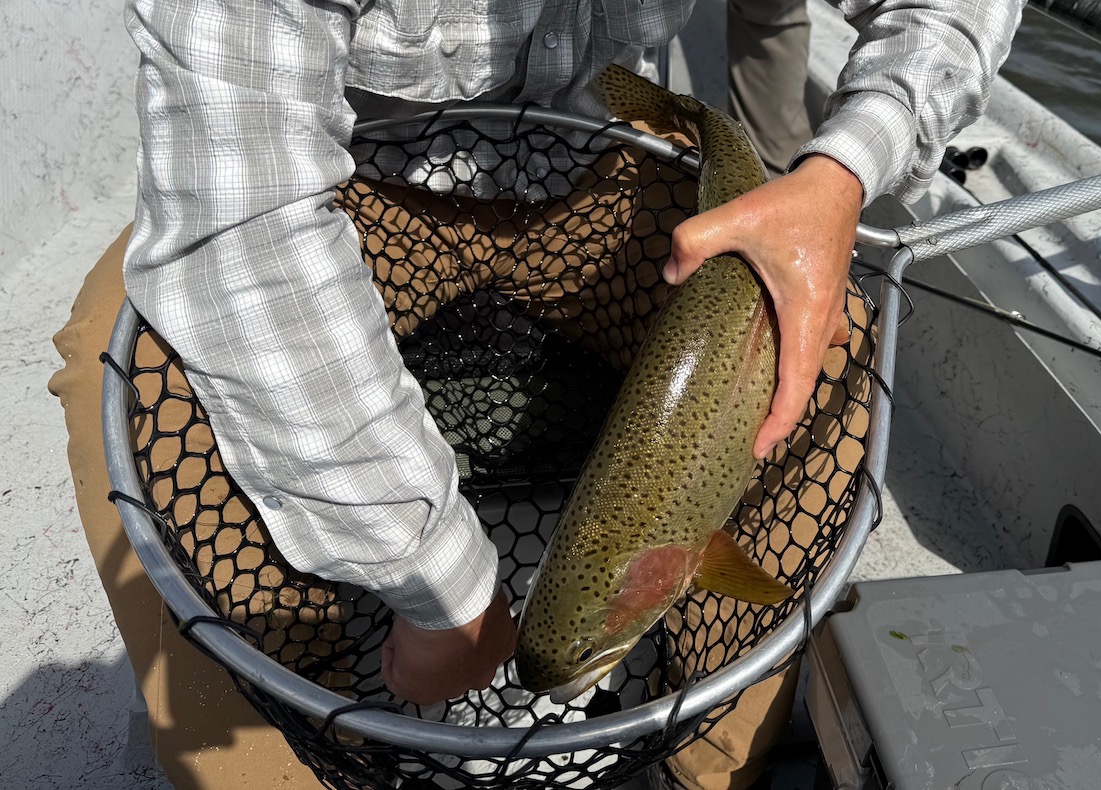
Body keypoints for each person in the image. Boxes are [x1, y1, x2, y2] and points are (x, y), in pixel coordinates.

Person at [49, 0, 1024, 787]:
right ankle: (279, 748)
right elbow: (240, 237)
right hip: (364, 197)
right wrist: (447, 594)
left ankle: (704, 761)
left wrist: (843, 169)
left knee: (834, 345)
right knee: (118, 350)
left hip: (608, 184)